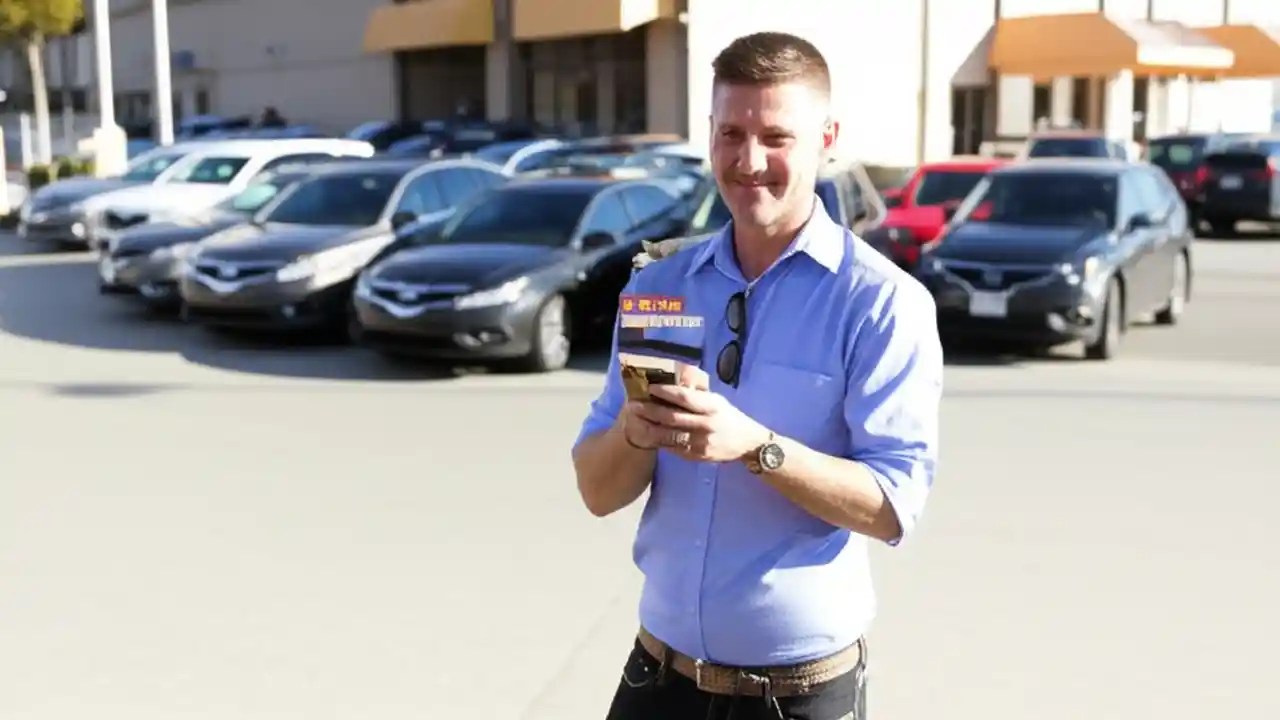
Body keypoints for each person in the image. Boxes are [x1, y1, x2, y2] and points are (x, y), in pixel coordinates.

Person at [570, 31, 943, 720]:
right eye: (731, 132)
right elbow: (596, 491)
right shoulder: (663, 286)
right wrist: (634, 431)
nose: (750, 161)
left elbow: (894, 505)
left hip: (795, 698)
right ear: (709, 134)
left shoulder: (881, 302)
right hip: (659, 680)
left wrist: (755, 447)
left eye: (777, 135)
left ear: (827, 137)